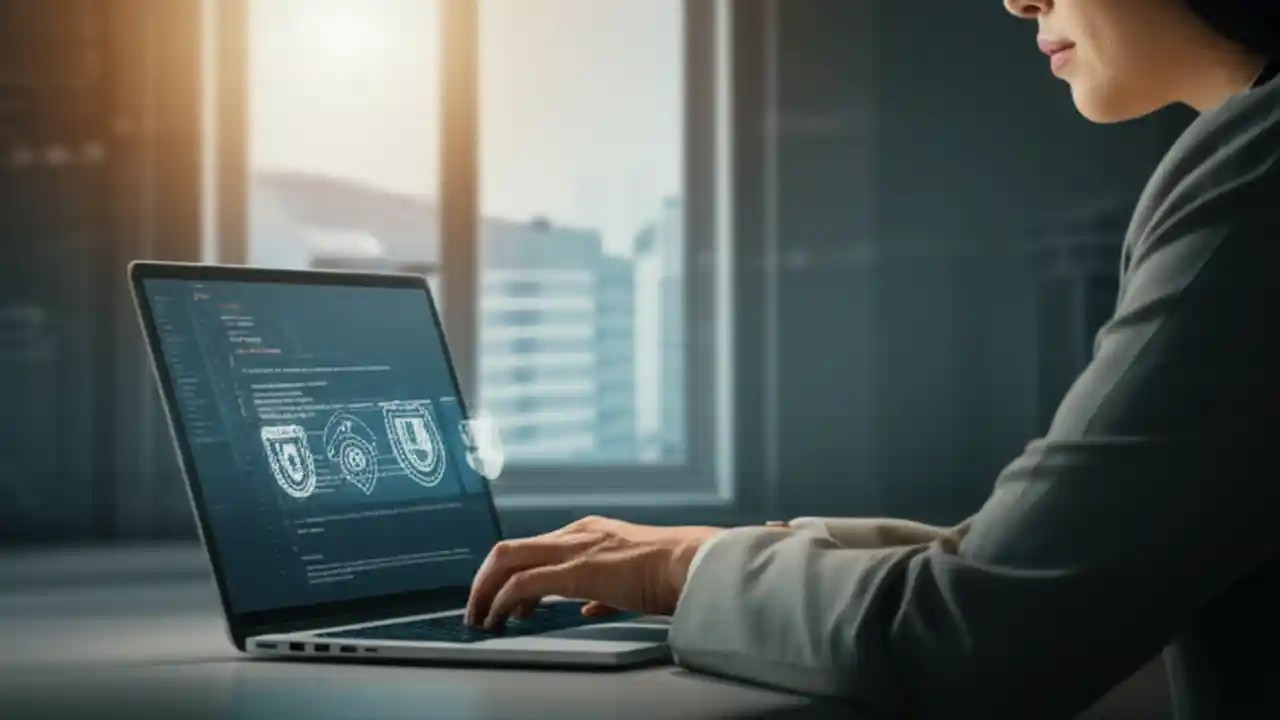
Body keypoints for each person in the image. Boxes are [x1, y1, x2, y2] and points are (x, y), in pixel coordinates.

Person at [465, 1, 1280, 716]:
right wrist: (739, 551)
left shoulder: (1256, 181)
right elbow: (1049, 565)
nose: (1018, 1)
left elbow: (982, 635)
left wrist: (688, 569)